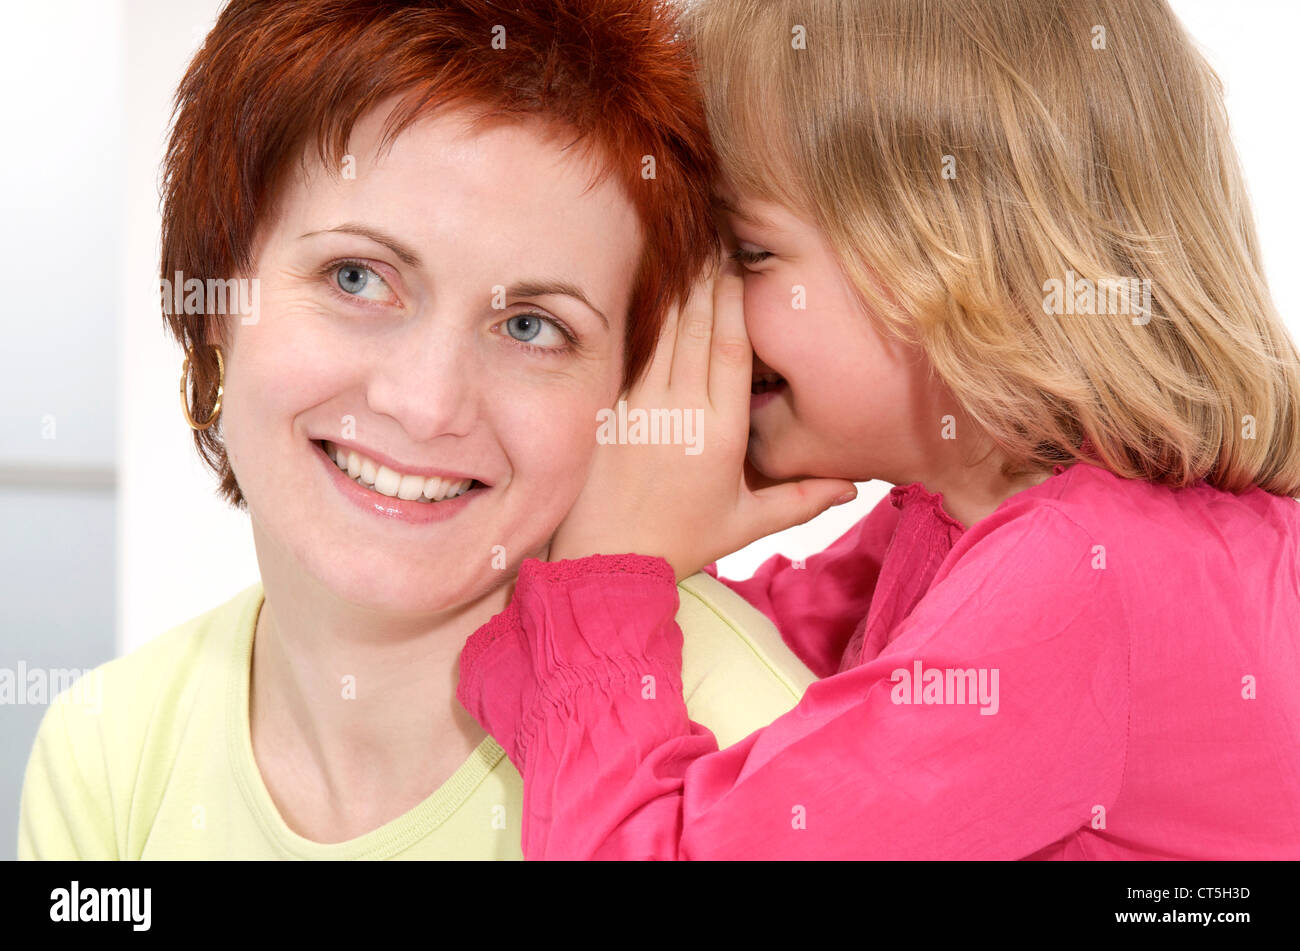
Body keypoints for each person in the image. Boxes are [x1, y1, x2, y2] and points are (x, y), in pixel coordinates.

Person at [456, 0, 1300, 859]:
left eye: (746, 253)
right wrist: (642, 533)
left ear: (948, 269)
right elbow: (757, 656)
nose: (693, 305)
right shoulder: (977, 514)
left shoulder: (1077, 582)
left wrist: (608, 573)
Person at [17, 0, 819, 860]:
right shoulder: (106, 752)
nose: (427, 404)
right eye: (357, 277)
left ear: (632, 389)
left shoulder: (752, 749)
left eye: (531, 326)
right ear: (217, 300)